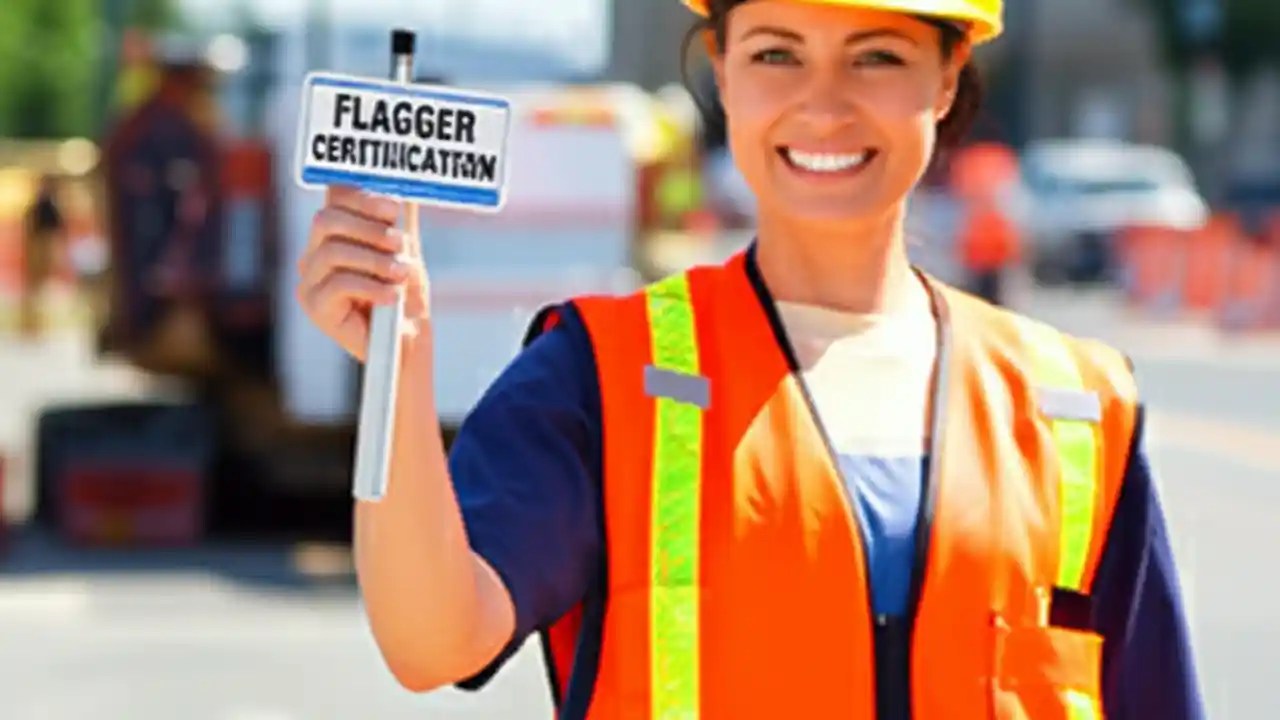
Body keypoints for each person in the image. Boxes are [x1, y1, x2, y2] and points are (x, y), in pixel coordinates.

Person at [295, 1, 1205, 718]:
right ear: (721, 71)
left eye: (877, 55)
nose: (824, 100)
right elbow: (433, 640)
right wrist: (400, 368)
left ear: (946, 77)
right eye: (776, 52)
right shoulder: (604, 374)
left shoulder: (1073, 406)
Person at [20, 175, 66, 339]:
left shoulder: (47, 207)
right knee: (34, 289)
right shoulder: (40, 207)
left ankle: (36, 325)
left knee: (39, 289)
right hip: (40, 246)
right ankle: (31, 326)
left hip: (43, 246)